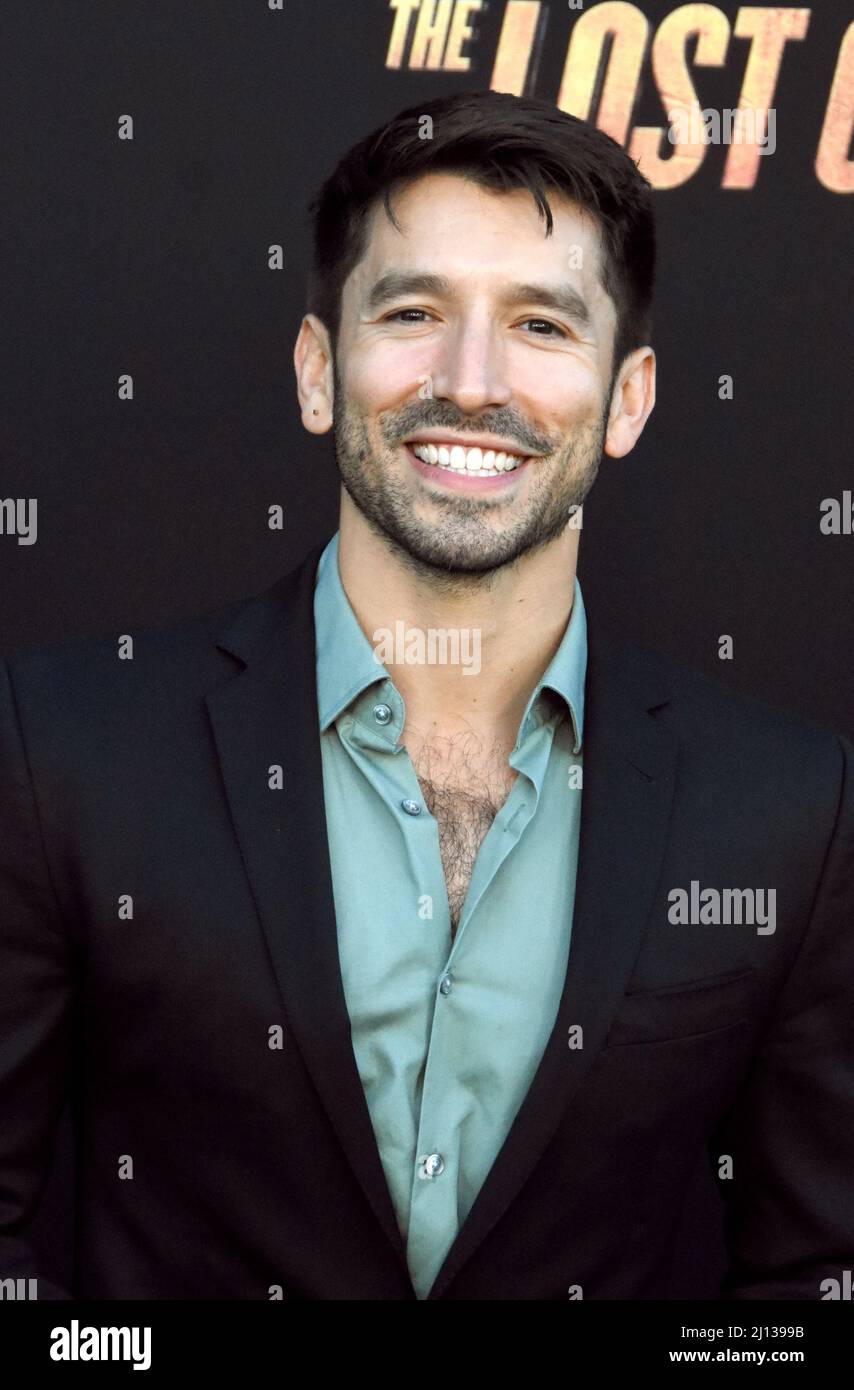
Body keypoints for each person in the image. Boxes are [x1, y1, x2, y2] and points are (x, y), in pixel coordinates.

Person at [1, 91, 852, 1301]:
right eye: (411, 312)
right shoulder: (65, 749)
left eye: (541, 327)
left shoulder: (786, 807)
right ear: (315, 370)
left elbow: (814, 1278)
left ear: (629, 398)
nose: (467, 381)